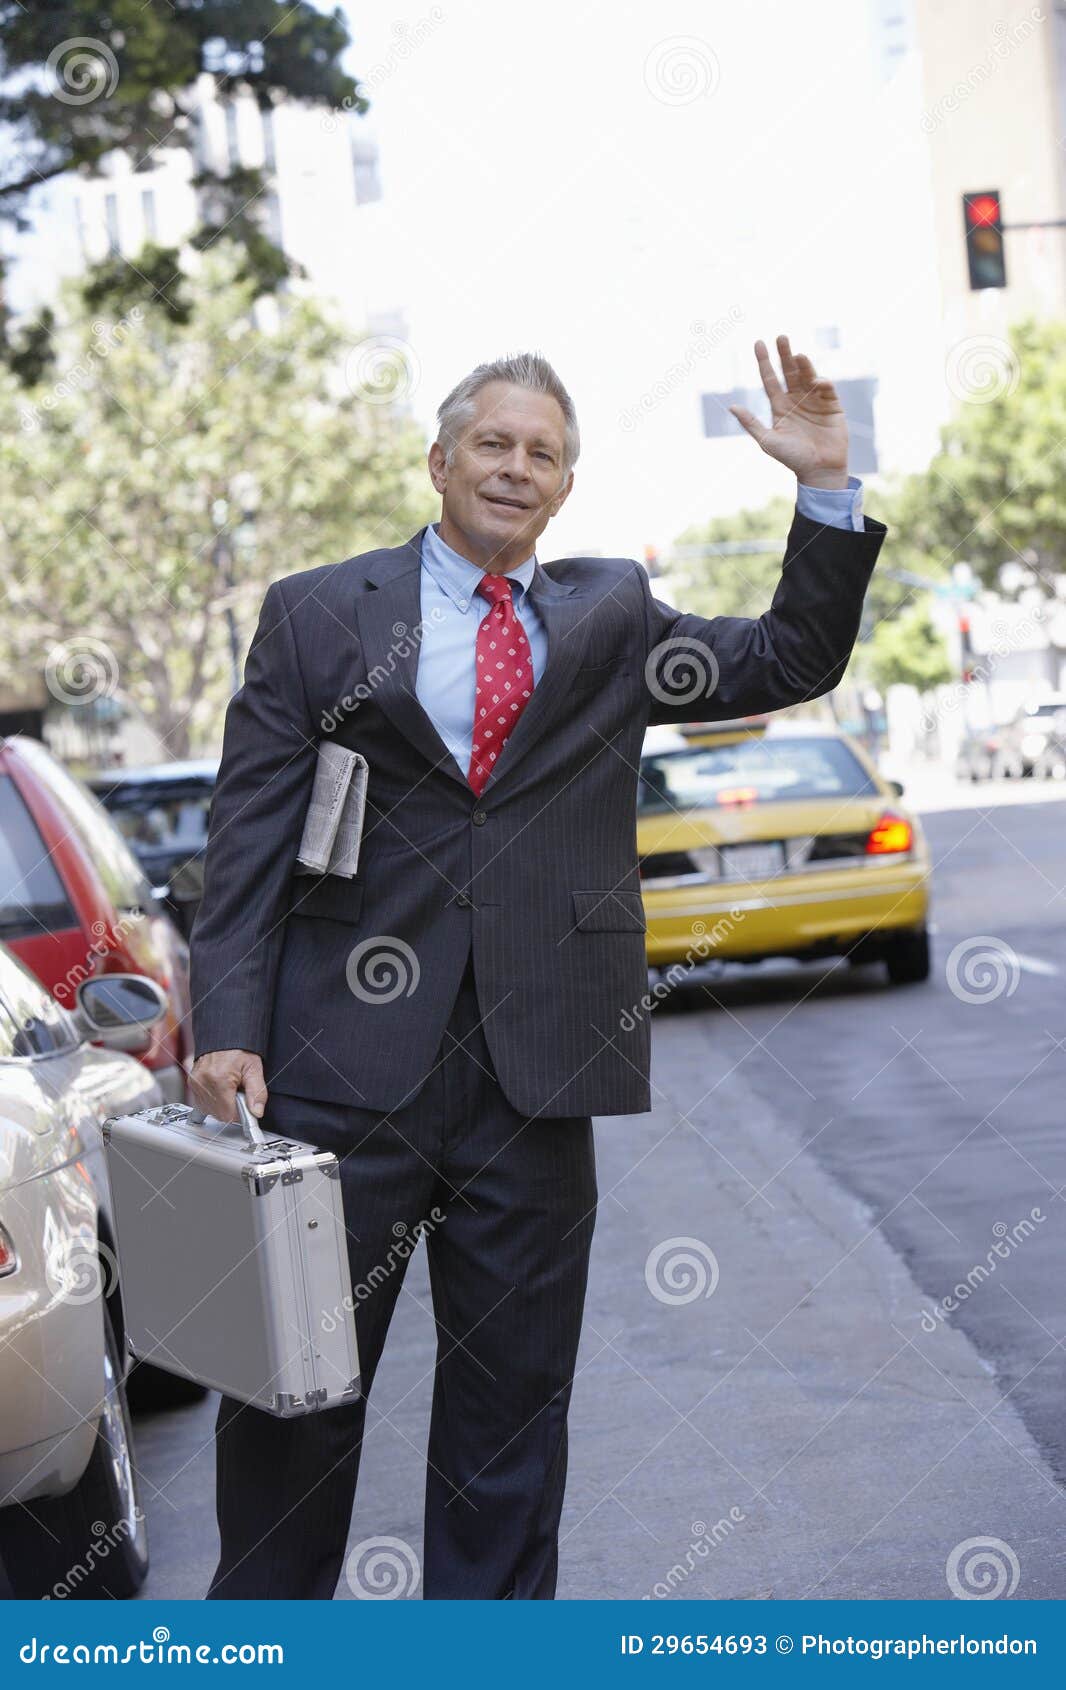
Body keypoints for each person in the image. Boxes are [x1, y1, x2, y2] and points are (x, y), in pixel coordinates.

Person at [188, 336, 886, 1599]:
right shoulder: (316, 612)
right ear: (440, 458)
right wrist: (224, 1021)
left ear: (564, 487)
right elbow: (246, 834)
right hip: (338, 1073)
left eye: (544, 453)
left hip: (538, 1075)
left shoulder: (611, 616)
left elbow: (789, 659)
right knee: (294, 1404)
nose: (517, 467)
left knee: (508, 1422)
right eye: (494, 443)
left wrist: (825, 490)